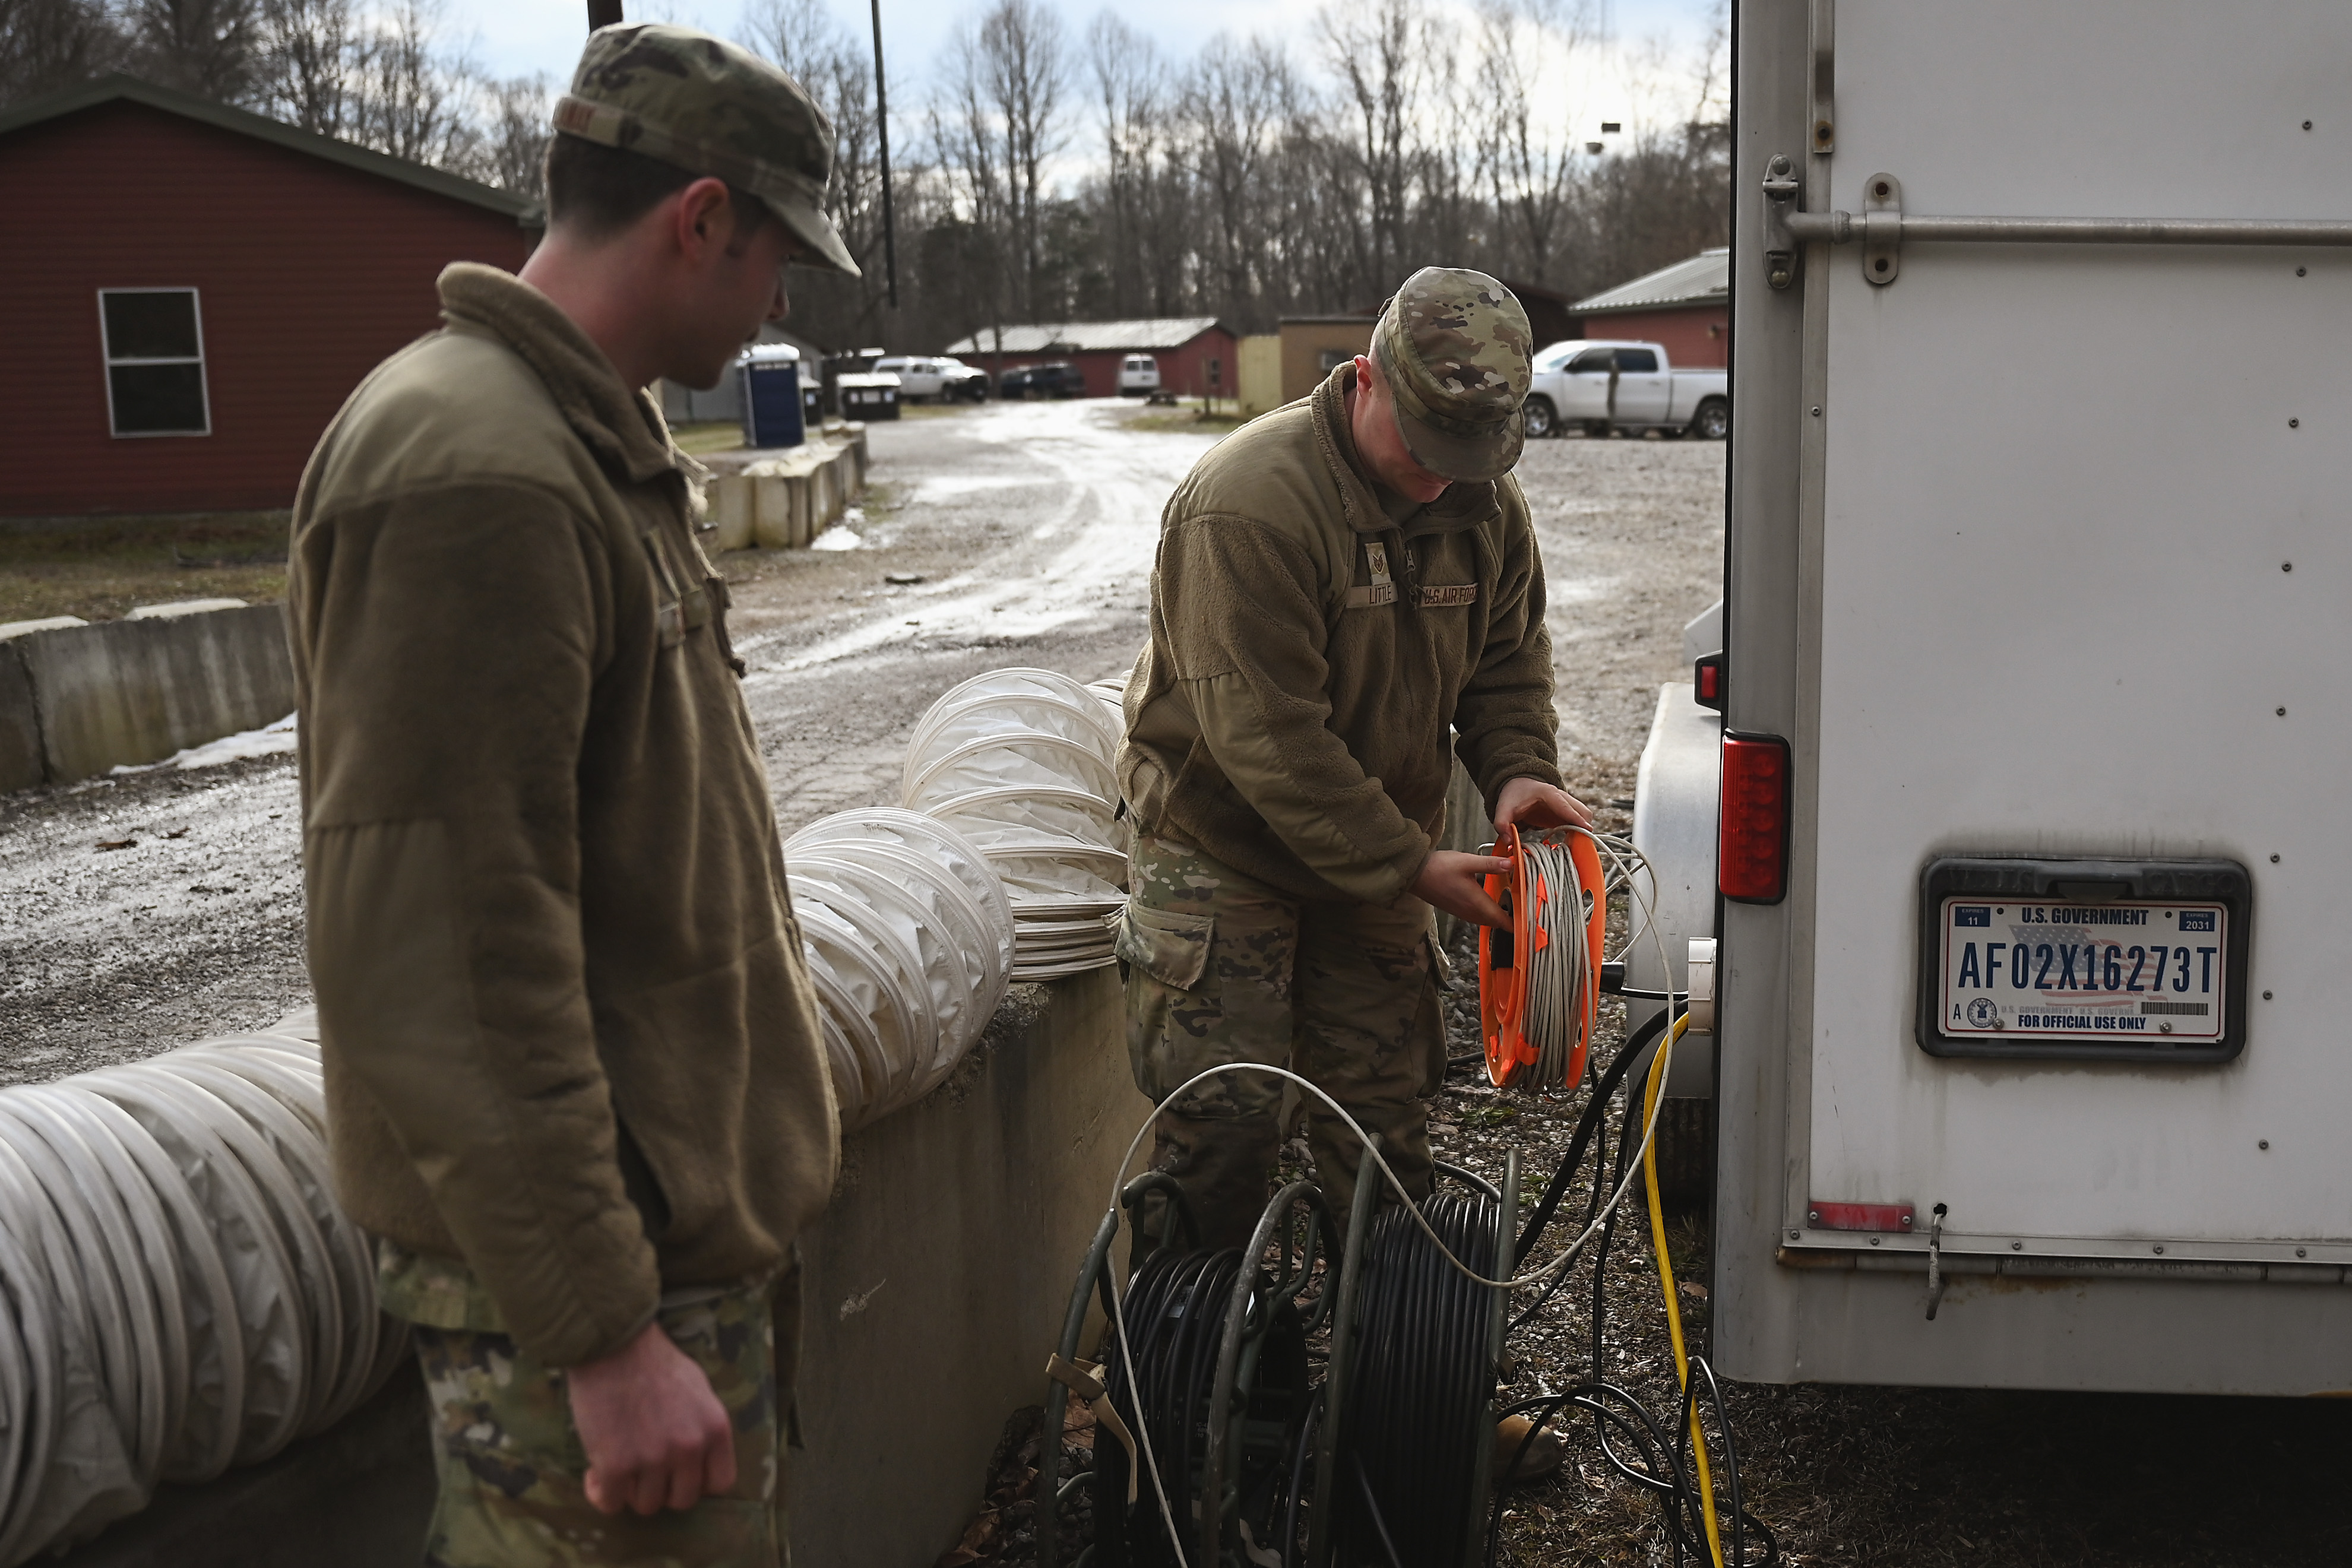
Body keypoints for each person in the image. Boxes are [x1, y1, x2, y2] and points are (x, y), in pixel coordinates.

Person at [287, 23, 856, 1566]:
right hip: (588, 1305)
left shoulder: (582, 443)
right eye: (776, 252)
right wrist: (601, 1334)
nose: (779, 298)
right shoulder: (477, 467)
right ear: (701, 218)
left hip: (655, 1253)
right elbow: (438, 947)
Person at [1115, 267, 1588, 1249]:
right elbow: (1269, 737)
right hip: (1224, 845)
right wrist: (1410, 864)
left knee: (1380, 1117)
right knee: (1228, 1121)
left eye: (1466, 456)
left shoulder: (1482, 505)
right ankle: (1186, 1386)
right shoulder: (1247, 505)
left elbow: (1505, 663)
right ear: (1363, 379)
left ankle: (1394, 1377)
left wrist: (1518, 772)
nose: (1439, 477)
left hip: (1372, 852)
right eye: (1422, 448)